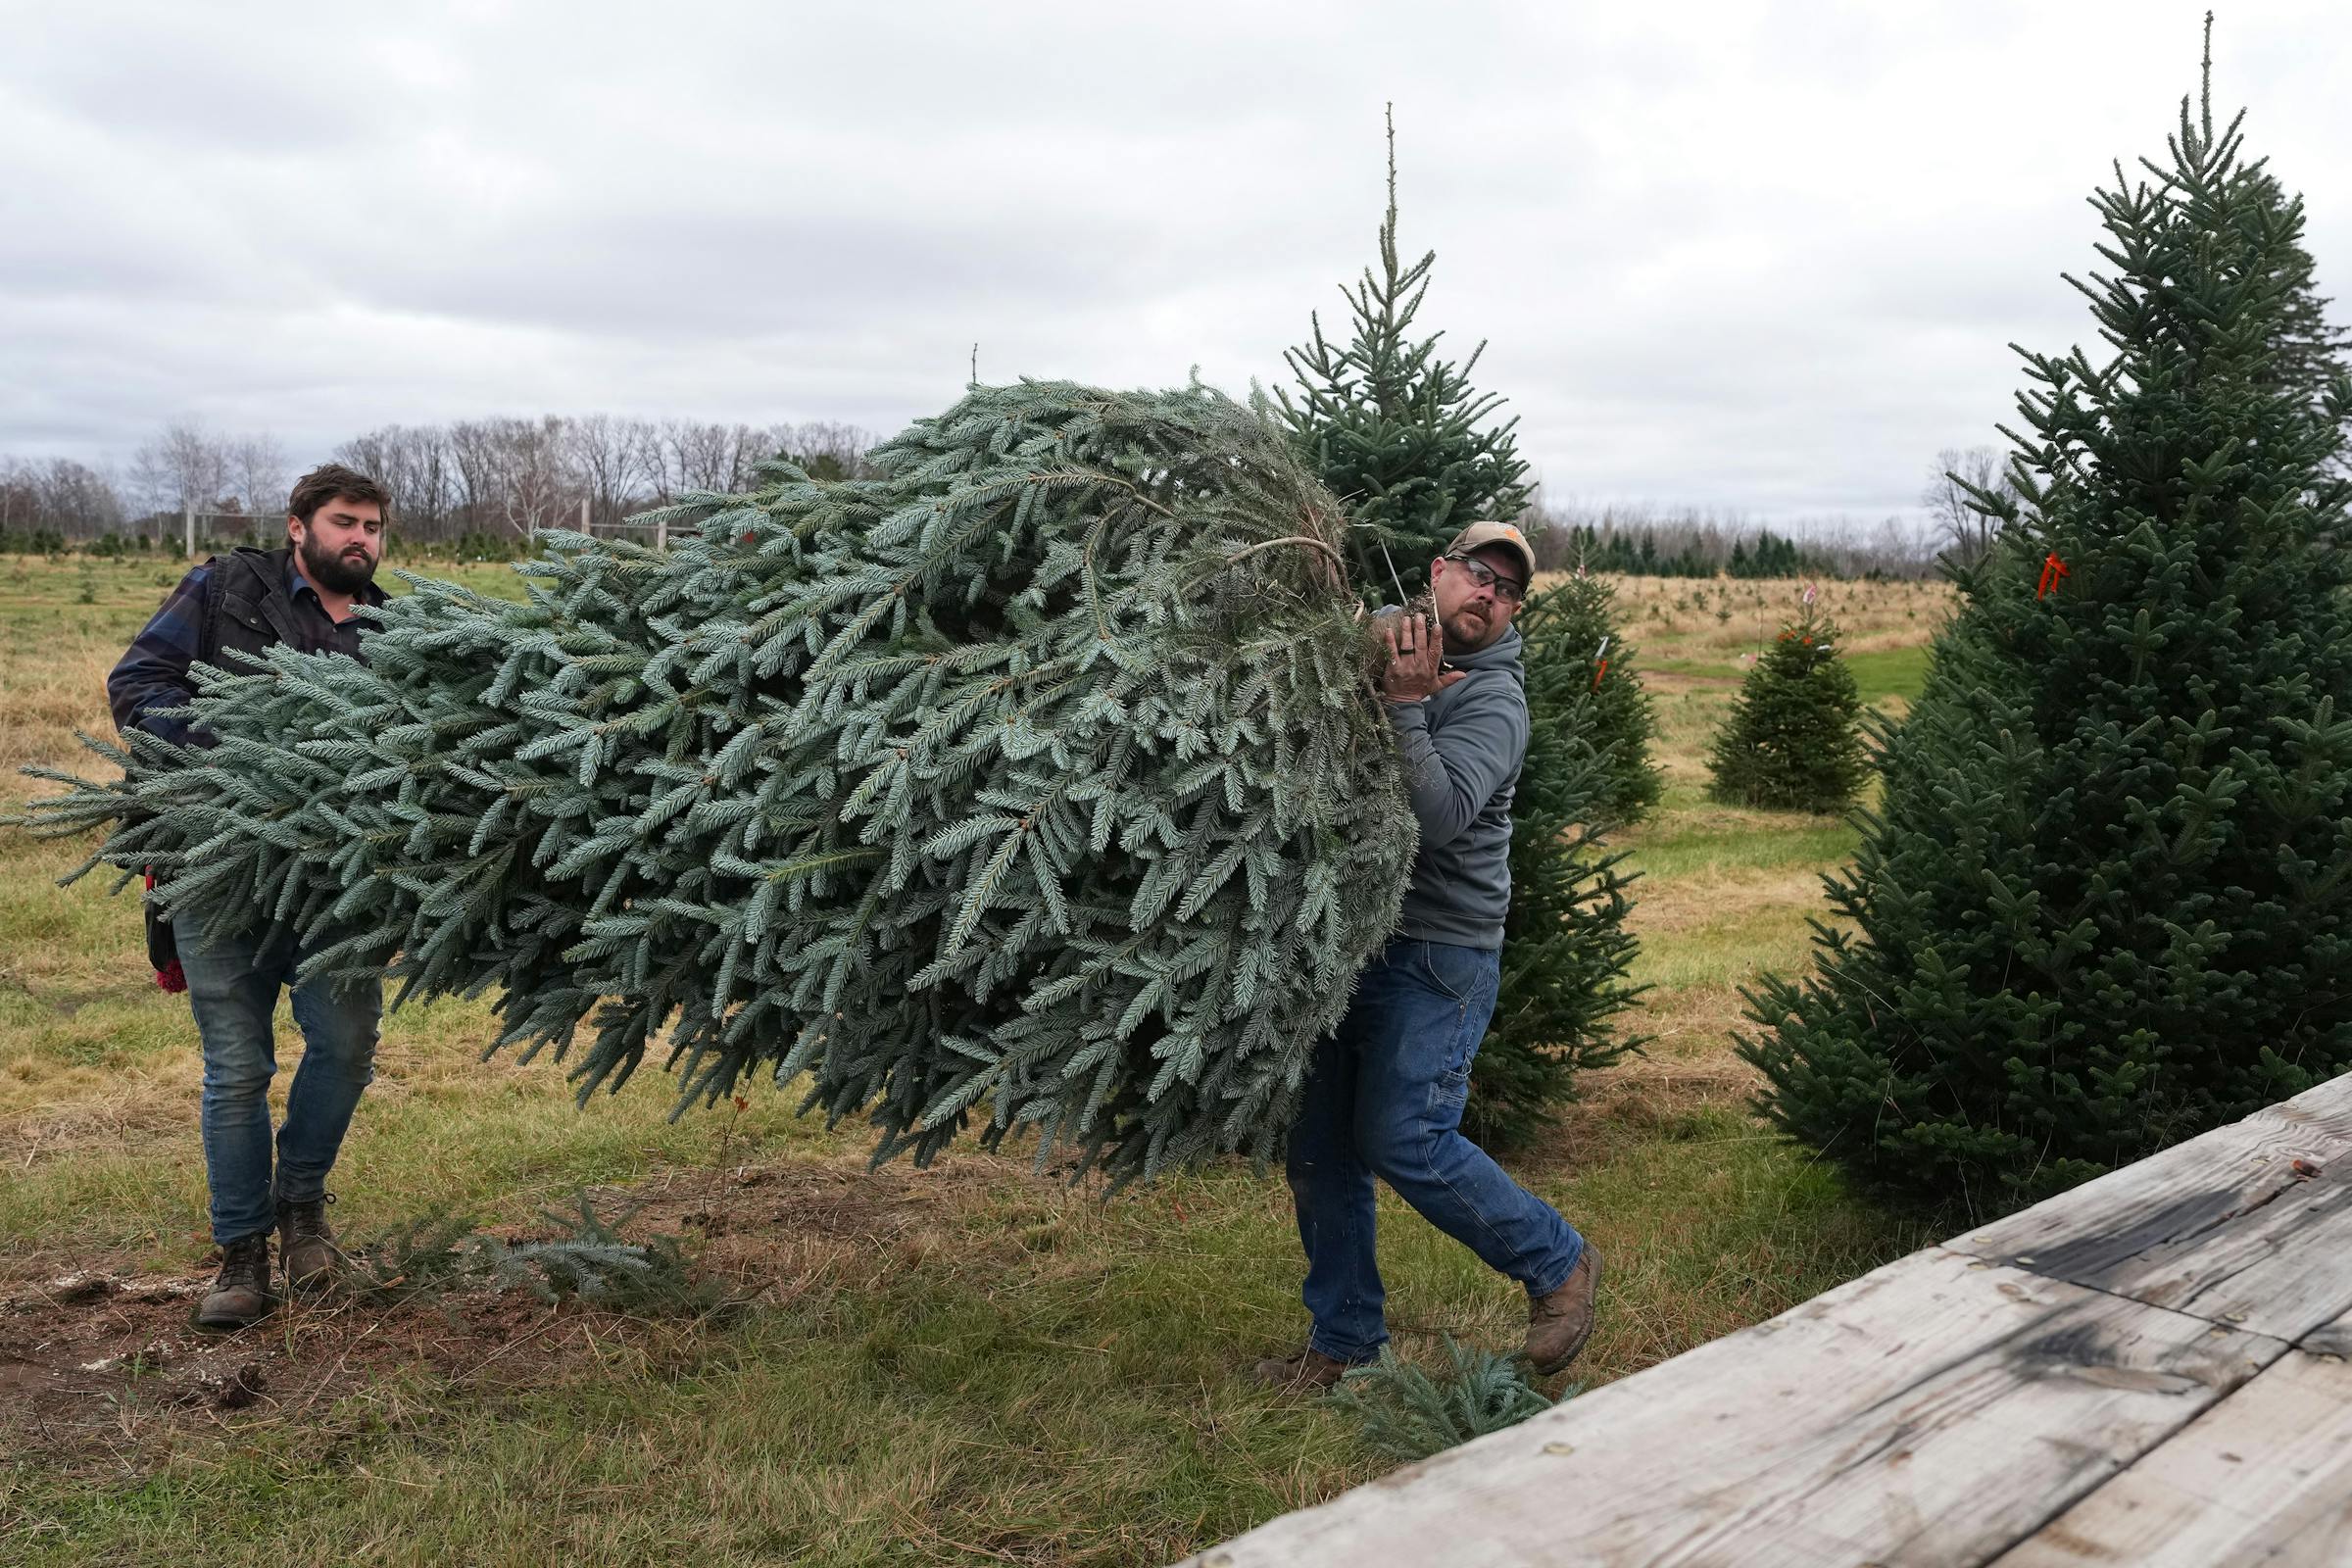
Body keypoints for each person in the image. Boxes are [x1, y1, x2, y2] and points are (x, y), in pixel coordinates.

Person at [1256, 519, 1600, 1389]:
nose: (1489, 595)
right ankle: (1345, 1343)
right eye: (1479, 574)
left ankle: (1556, 1261)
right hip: (1352, 936)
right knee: (1320, 1148)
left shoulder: (1495, 702)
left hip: (1440, 952)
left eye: (1508, 590)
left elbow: (1438, 821)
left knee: (1404, 1134)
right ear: (1440, 572)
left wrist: (1406, 705)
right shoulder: (1395, 638)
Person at [108, 464, 393, 1331]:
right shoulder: (225, 588)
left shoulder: (392, 626)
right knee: (237, 1068)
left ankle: (300, 1211)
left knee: (346, 1043)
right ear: (298, 526)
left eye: (373, 527)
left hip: (335, 881)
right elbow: (138, 685)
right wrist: (243, 750)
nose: (361, 540)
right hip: (219, 865)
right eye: (344, 522)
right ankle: (241, 1253)